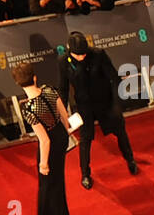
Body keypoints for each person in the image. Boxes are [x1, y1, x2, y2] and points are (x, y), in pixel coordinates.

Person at [57, 32, 137, 189]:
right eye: (77, 55)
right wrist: (62, 113)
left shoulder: (98, 55)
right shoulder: (63, 62)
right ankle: (85, 173)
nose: (81, 57)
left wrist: (116, 104)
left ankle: (130, 159)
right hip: (84, 106)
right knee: (85, 140)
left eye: (83, 54)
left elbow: (114, 78)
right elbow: (63, 88)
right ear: (69, 50)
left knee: (120, 131)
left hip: (105, 101)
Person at [13, 62, 75, 215]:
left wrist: (43, 163)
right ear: (34, 77)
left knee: (48, 189)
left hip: (50, 145)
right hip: (61, 137)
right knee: (58, 185)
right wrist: (66, 135)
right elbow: (64, 115)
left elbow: (44, 140)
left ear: (18, 83)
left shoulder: (29, 108)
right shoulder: (49, 90)